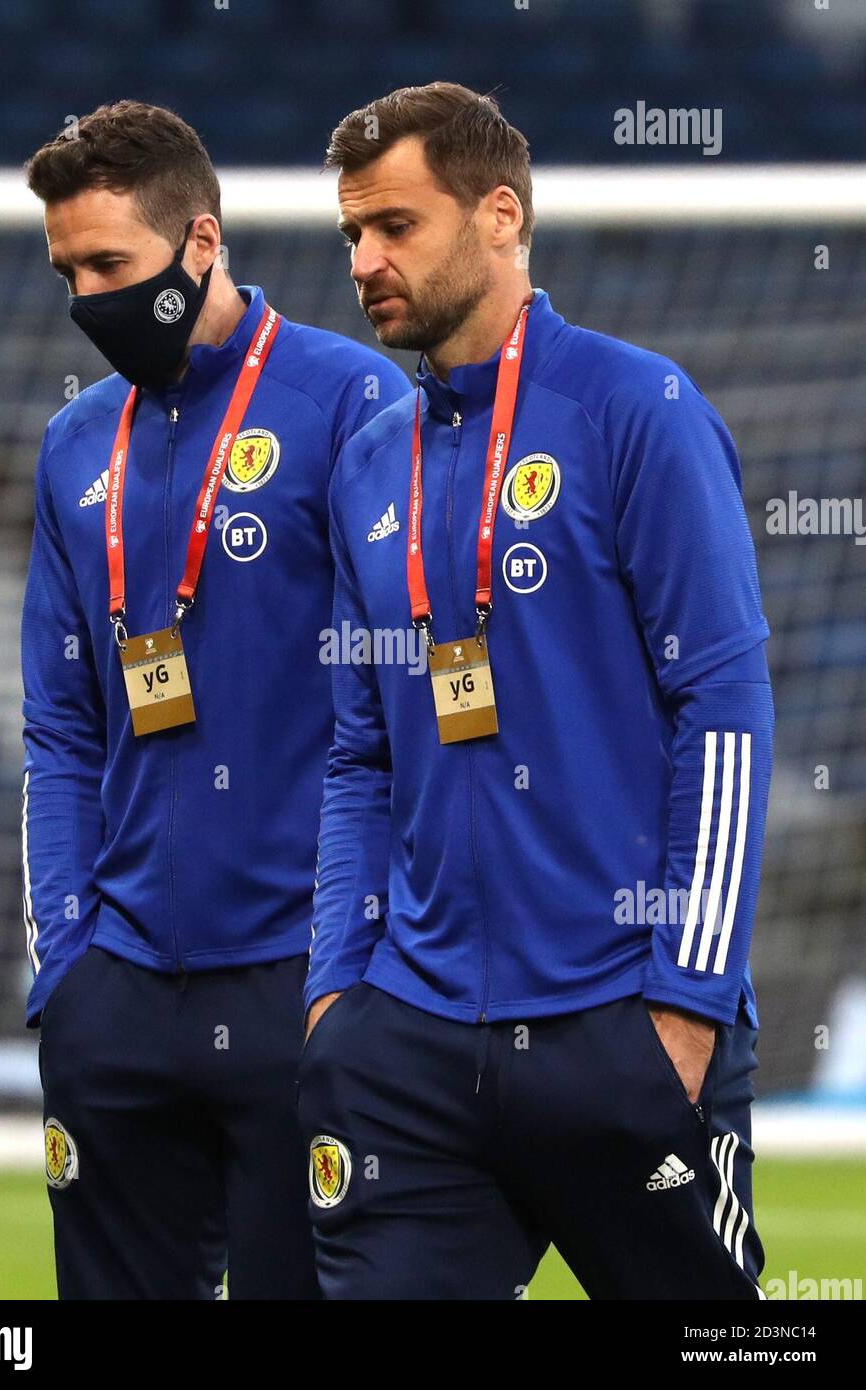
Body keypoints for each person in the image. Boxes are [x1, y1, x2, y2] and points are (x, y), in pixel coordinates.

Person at [299, 82, 773, 1300]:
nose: (363, 261)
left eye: (393, 226)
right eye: (350, 233)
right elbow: (360, 756)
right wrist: (335, 993)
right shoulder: (364, 463)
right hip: (409, 1036)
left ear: (499, 214)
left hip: (620, 1018)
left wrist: (680, 1007)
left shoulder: (636, 412)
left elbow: (723, 713)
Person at [20, 100, 410, 1299]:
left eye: (110, 266)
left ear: (200, 242)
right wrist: (68, 968)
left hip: (303, 978)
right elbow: (60, 723)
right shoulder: (75, 443)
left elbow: (399, 707)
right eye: (68, 273)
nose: (88, 299)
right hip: (120, 988)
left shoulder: (351, 405)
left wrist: (355, 969)